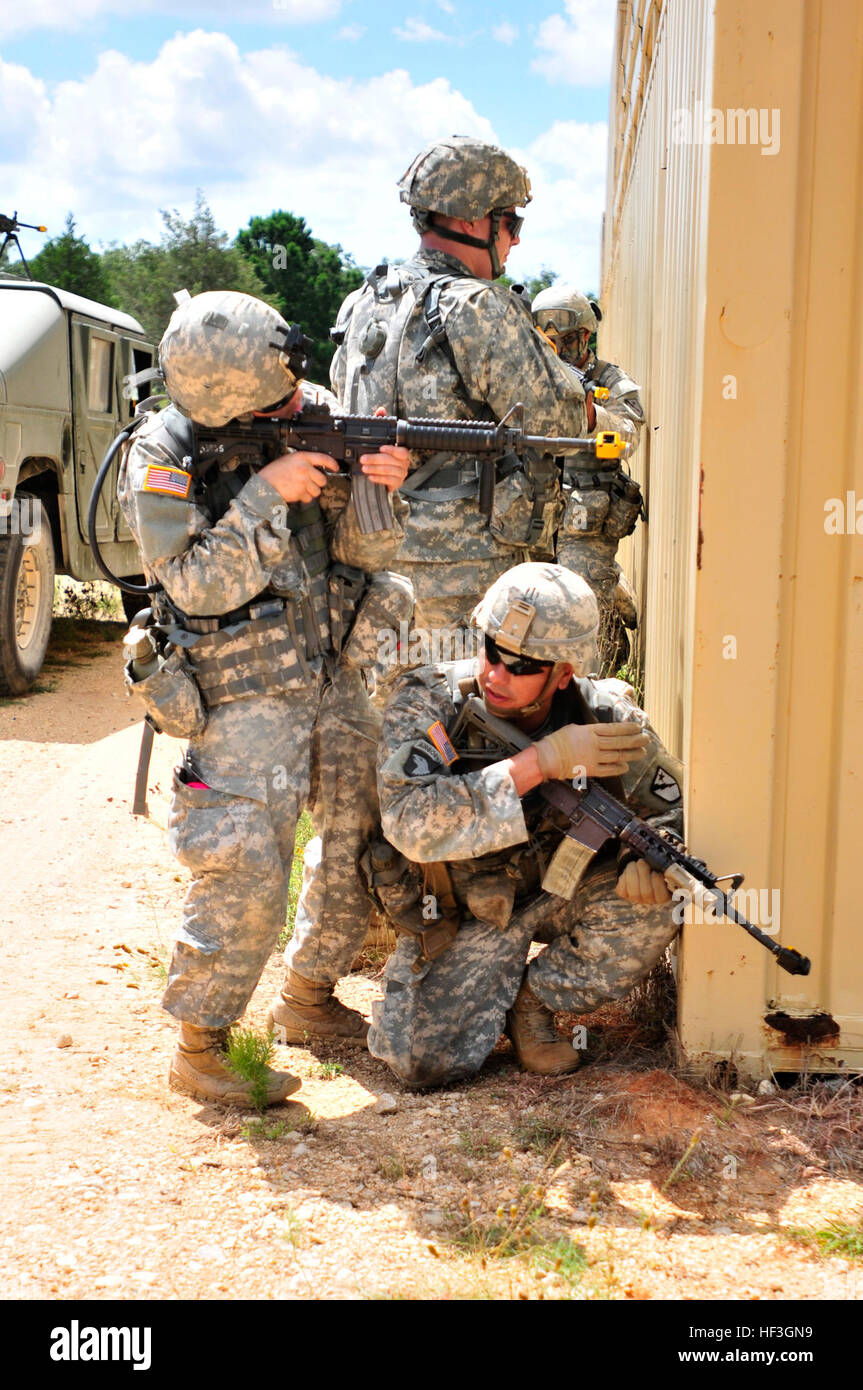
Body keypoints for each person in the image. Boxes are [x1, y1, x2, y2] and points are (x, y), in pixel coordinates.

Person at [118, 290, 410, 1106]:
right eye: (278, 397)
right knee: (245, 860)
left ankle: (309, 999)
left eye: (293, 384)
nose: (299, 400)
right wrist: (265, 493)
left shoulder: (312, 412)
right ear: (229, 402)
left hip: (332, 667)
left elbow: (366, 549)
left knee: (357, 836)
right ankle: (201, 1048)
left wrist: (378, 485)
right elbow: (198, 585)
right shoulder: (163, 456)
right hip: (244, 689)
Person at [366, 563, 683, 1088]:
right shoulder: (429, 702)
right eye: (491, 650)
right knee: (423, 1065)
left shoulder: (604, 719)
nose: (495, 674)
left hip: (560, 891)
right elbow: (410, 822)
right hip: (467, 908)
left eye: (521, 666)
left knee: (662, 898)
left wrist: (643, 857)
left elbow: (668, 805)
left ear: (563, 673)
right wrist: (541, 763)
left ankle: (533, 1003)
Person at [329, 136, 617, 660]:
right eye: (510, 222)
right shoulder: (479, 307)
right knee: (468, 721)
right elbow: (561, 421)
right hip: (467, 573)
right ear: (468, 220)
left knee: (397, 720)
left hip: (376, 561)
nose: (515, 241)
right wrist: (598, 406)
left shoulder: (364, 302)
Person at [531, 285, 646, 668]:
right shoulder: (529, 380)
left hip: (586, 522)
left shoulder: (607, 380)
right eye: (546, 342)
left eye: (562, 342)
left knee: (587, 617)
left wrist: (590, 413)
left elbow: (628, 439)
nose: (556, 352)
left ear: (583, 336)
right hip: (534, 516)